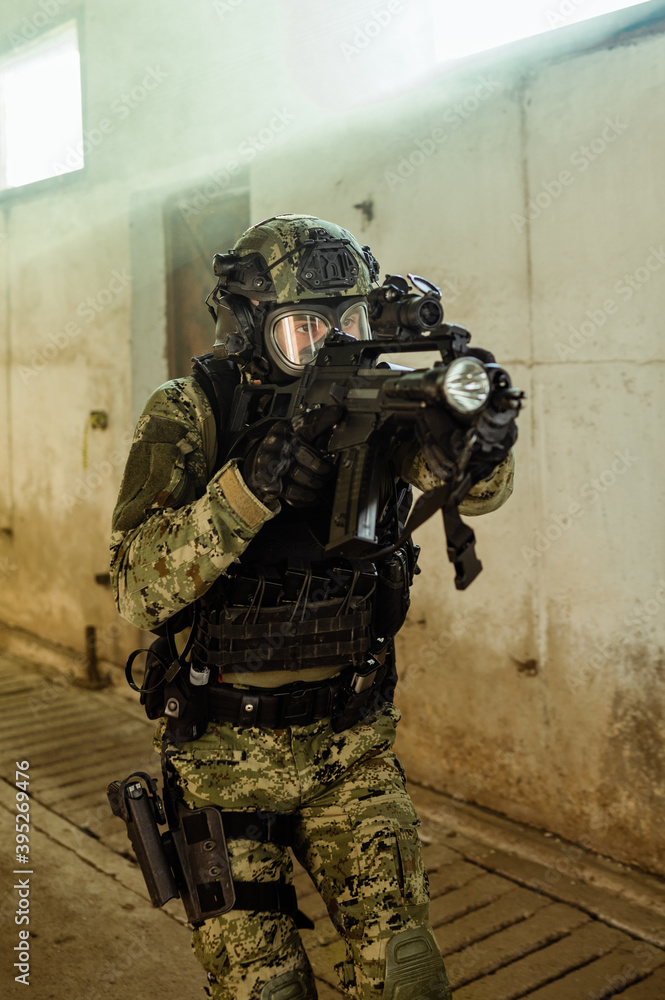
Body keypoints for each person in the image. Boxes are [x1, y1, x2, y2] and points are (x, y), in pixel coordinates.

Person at [109, 214, 515, 1000]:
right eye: (305, 331)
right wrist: (246, 491)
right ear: (251, 326)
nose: (333, 349)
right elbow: (135, 584)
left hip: (349, 746)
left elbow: (474, 490)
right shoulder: (189, 411)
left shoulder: (382, 396)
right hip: (221, 759)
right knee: (264, 991)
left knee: (408, 981)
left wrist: (481, 441)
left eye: (351, 324)